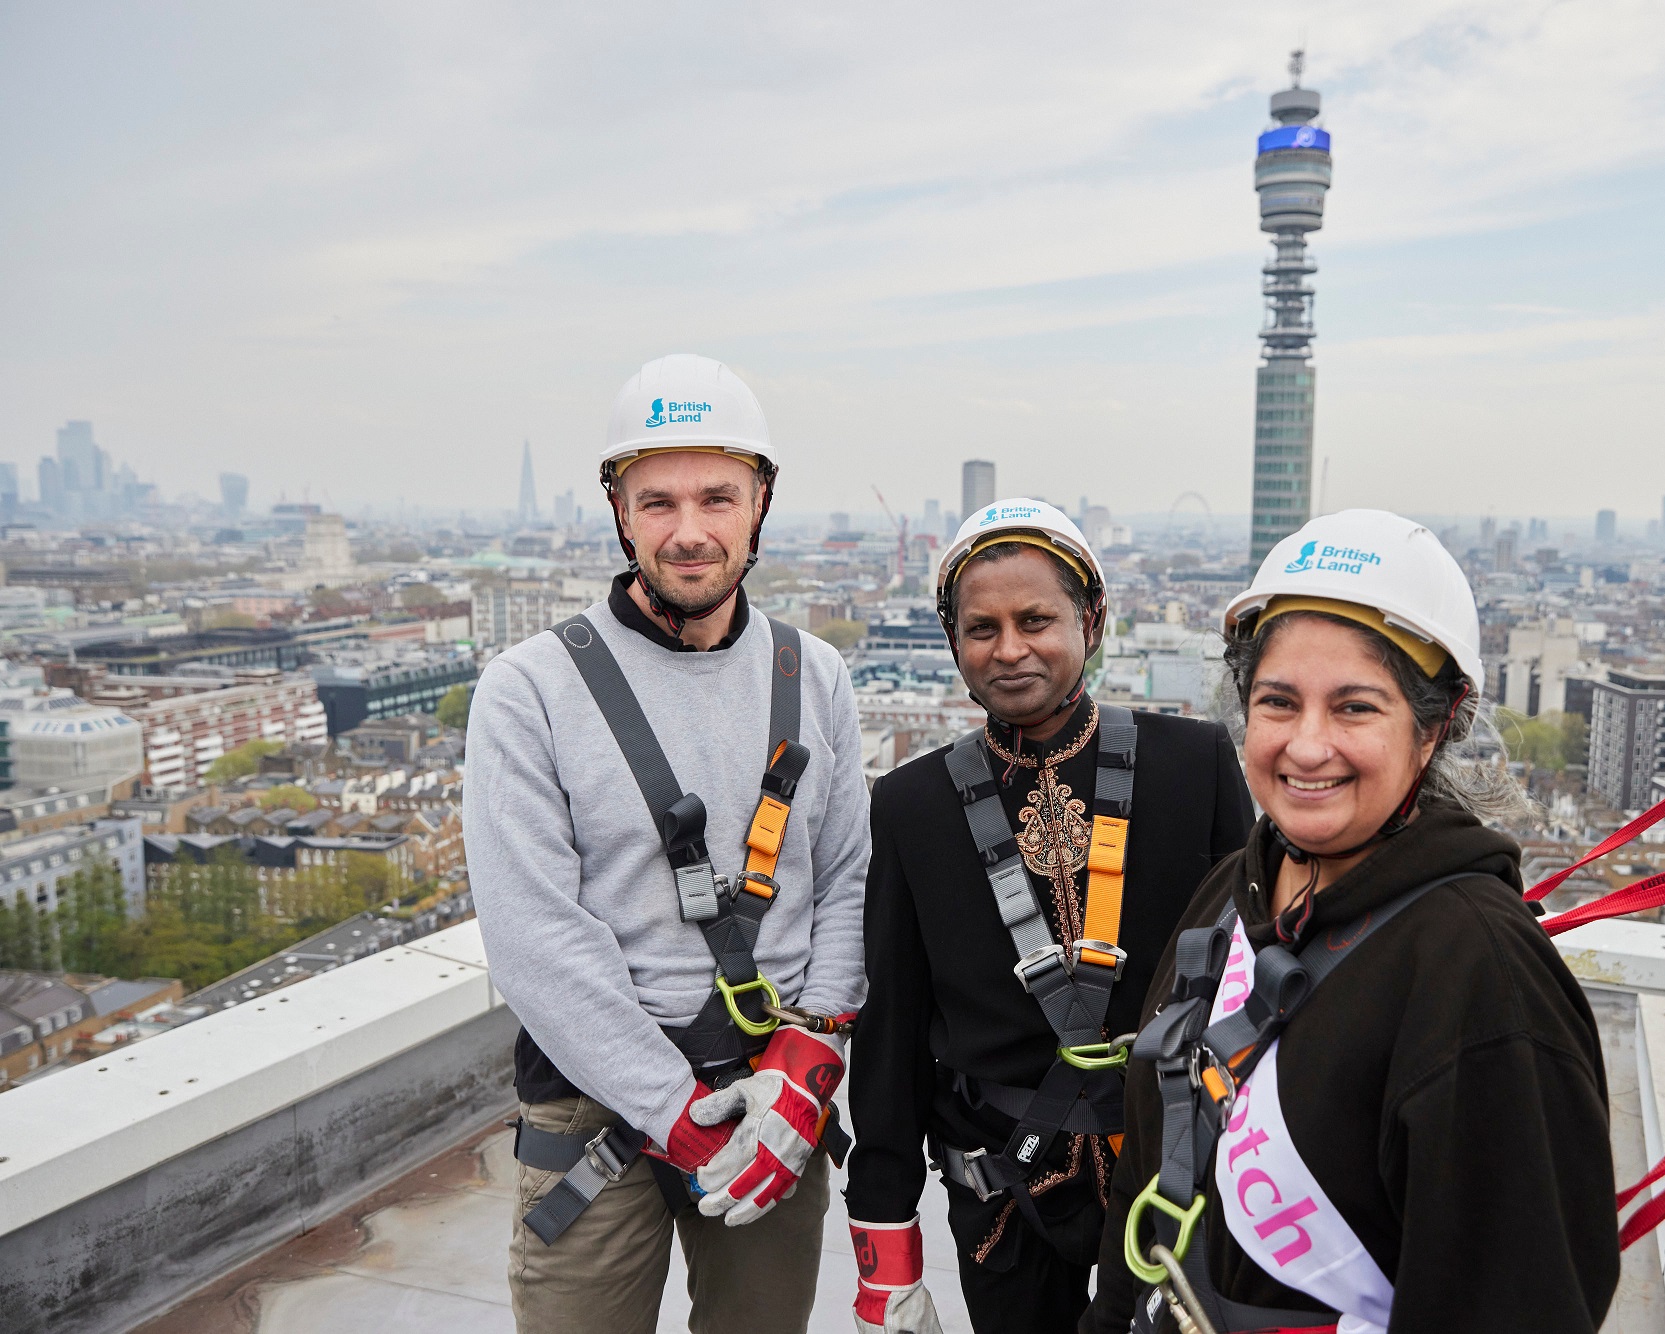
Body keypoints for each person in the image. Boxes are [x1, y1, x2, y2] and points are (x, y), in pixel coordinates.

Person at [1086, 509, 1620, 1334]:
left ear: (1436, 725)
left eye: (1355, 708)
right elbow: (1152, 1192)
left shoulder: (1480, 980)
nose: (1306, 746)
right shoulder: (1238, 894)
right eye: (1278, 702)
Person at [465, 354, 870, 1334]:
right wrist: (673, 1112)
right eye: (657, 502)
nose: (688, 531)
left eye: (717, 496)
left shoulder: (813, 676)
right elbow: (532, 936)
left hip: (773, 1085)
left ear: (760, 499)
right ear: (617, 509)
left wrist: (809, 1052)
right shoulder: (528, 690)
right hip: (592, 1098)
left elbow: (847, 876)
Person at [843, 500, 1254, 1334]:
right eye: (982, 628)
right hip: (1003, 1204)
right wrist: (884, 1250)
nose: (1009, 650)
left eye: (1036, 620)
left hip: (1167, 1181)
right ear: (953, 642)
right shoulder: (913, 805)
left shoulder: (1196, 765)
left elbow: (1251, 971)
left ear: (1092, 620)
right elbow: (892, 1032)